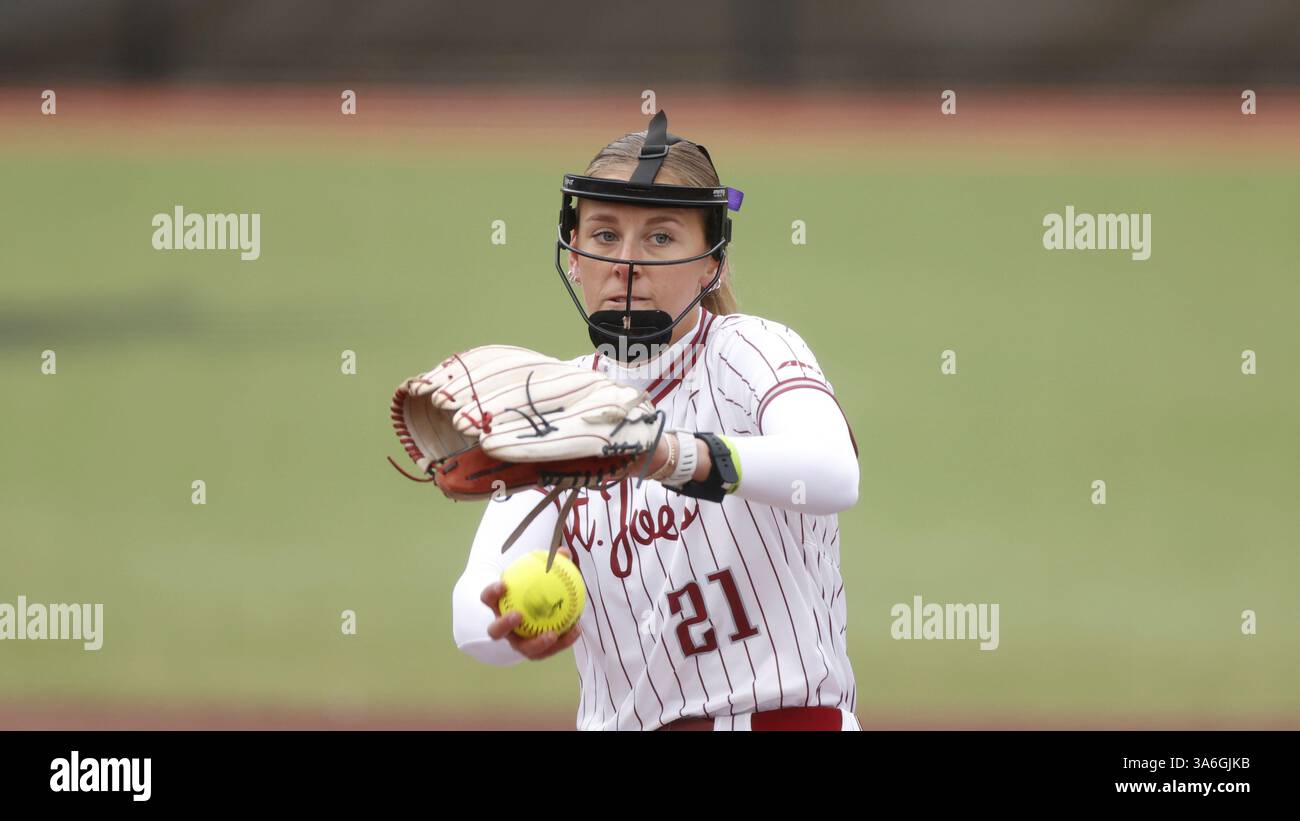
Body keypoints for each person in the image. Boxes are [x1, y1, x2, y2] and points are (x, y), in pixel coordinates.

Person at [451, 110, 861, 730]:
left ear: (711, 264)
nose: (628, 262)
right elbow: (475, 599)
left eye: (661, 237)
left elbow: (834, 473)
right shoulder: (554, 403)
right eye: (606, 235)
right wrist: (502, 625)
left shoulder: (748, 351)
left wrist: (671, 454)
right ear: (574, 256)